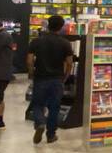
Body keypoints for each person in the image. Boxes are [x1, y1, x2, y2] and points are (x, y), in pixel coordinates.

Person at [25, 14, 75, 144]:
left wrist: (31, 73)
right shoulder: (65, 43)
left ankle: (40, 123)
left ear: (48, 24)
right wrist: (66, 76)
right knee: (54, 107)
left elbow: (29, 60)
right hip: (57, 79)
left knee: (37, 104)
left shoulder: (36, 41)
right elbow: (69, 62)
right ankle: (51, 135)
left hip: (40, 78)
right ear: (61, 27)